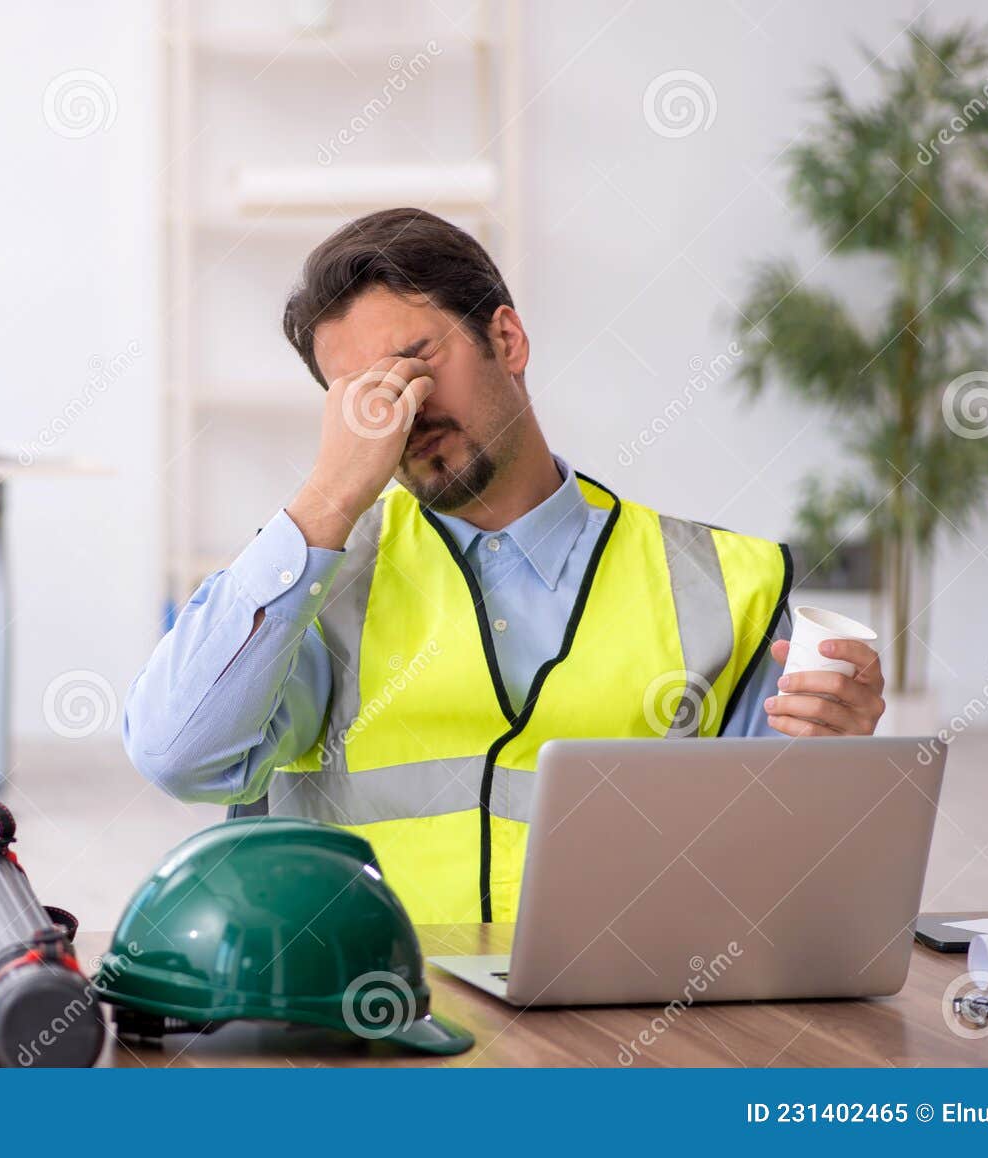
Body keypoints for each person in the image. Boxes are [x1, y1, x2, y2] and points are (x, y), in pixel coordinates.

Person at [123, 208, 886, 924]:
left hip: (620, 1034)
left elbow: (777, 874)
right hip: (371, 1032)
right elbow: (176, 755)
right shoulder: (315, 583)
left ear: (508, 340)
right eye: (359, 396)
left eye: (415, 362)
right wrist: (328, 497)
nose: (401, 408)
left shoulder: (725, 584)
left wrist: (833, 757)